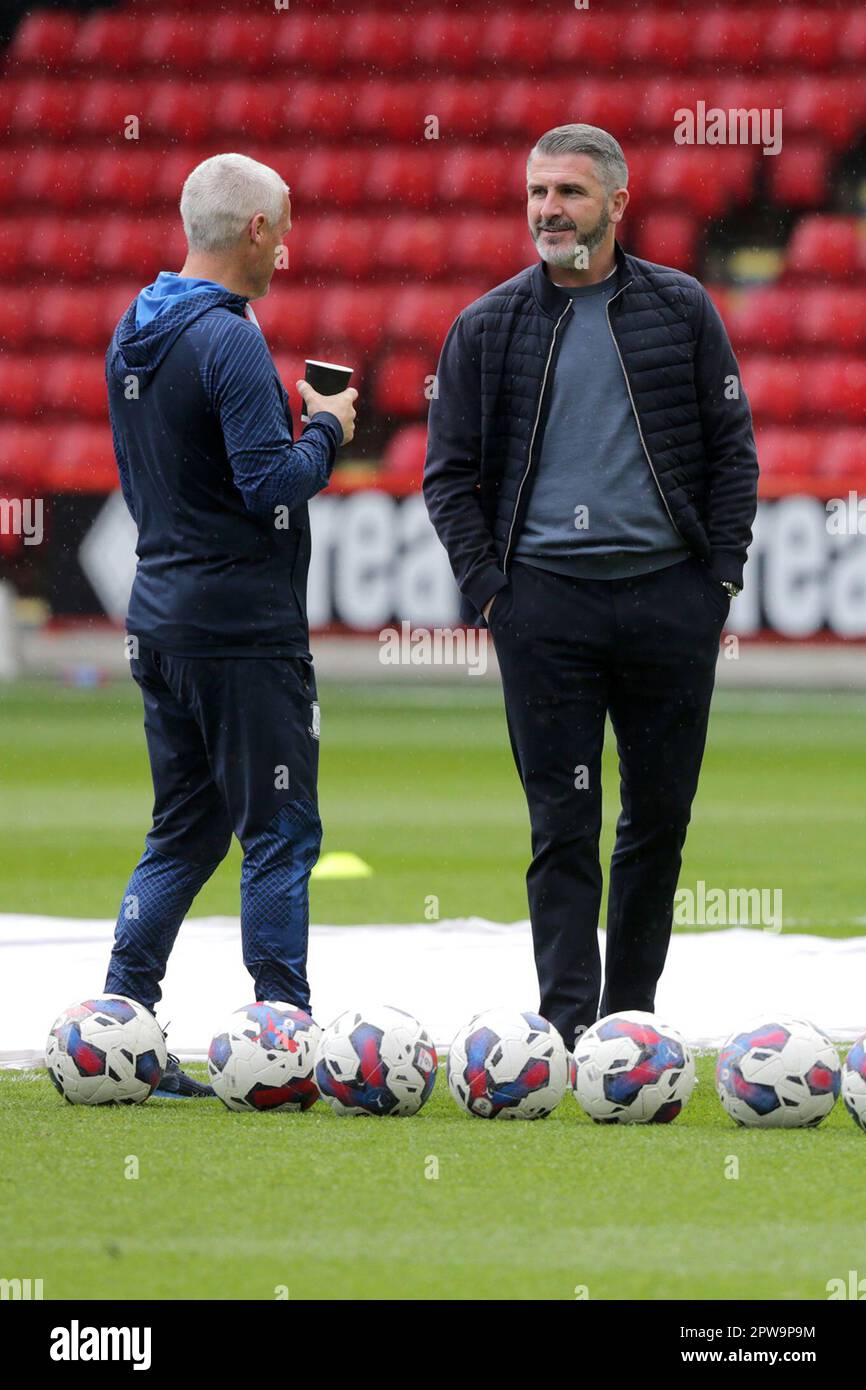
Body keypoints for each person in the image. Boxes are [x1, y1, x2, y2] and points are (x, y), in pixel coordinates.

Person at [424, 124, 758, 1050]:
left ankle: (631, 1022)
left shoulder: (681, 309)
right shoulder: (486, 326)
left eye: (568, 192)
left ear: (616, 203)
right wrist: (494, 592)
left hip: (668, 604)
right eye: (536, 192)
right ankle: (568, 1025)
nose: (547, 210)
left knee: (657, 819)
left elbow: (734, 452)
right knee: (561, 822)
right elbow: (446, 476)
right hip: (545, 612)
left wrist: (716, 579)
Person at [104, 153, 357, 1095]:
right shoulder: (232, 340)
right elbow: (270, 487)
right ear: (254, 229)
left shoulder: (134, 325)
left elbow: (158, 481)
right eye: (283, 225)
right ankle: (281, 1035)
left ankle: (120, 1016)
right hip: (241, 631)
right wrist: (327, 426)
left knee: (183, 832)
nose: (288, 243)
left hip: (158, 613)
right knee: (282, 832)